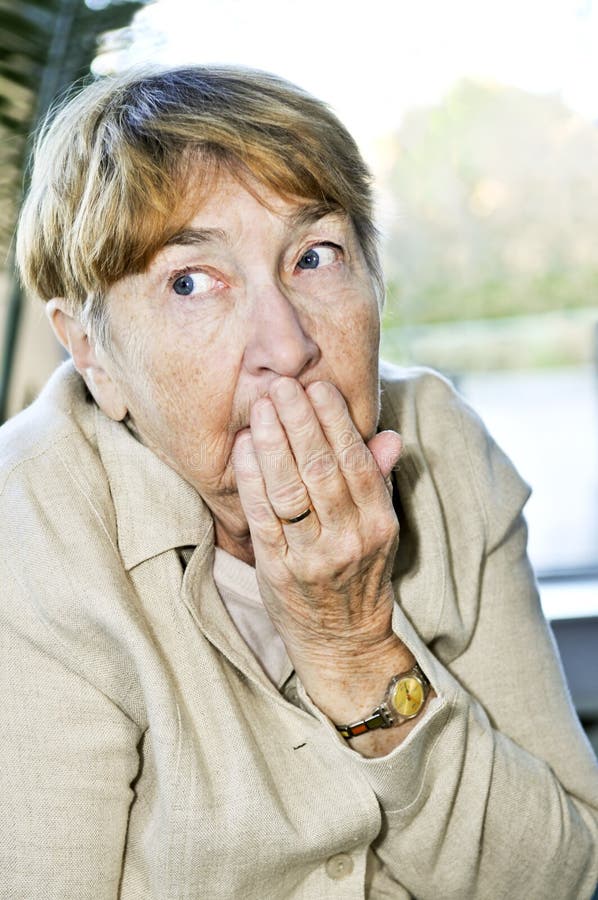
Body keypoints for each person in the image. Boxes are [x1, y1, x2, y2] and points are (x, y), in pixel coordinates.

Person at [0, 64, 596, 900]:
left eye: (314, 257)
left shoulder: (443, 447)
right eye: (190, 282)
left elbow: (557, 880)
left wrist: (353, 650)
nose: (285, 345)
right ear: (93, 354)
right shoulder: (27, 524)